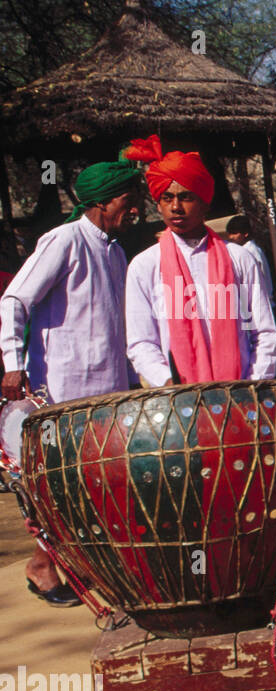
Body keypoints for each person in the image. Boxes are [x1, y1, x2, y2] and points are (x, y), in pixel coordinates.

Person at [1, 159, 143, 606]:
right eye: (128, 199)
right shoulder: (64, 240)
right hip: (61, 391)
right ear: (102, 201)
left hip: (109, 392)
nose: (135, 208)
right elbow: (14, 299)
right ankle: (42, 565)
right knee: (59, 489)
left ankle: (96, 567)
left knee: (104, 484)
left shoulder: (115, 251)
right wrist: (12, 362)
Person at [123, 136, 276, 386]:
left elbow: (264, 332)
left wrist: (253, 384)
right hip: (176, 399)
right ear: (158, 204)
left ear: (204, 202)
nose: (176, 207)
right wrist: (168, 382)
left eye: (185, 197)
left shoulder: (239, 258)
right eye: (166, 198)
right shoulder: (144, 266)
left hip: (241, 393)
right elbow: (141, 342)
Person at [224, 214, 272, 291]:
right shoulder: (246, 249)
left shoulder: (250, 251)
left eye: (234, 233)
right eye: (229, 233)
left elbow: (249, 281)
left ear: (245, 234)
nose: (230, 237)